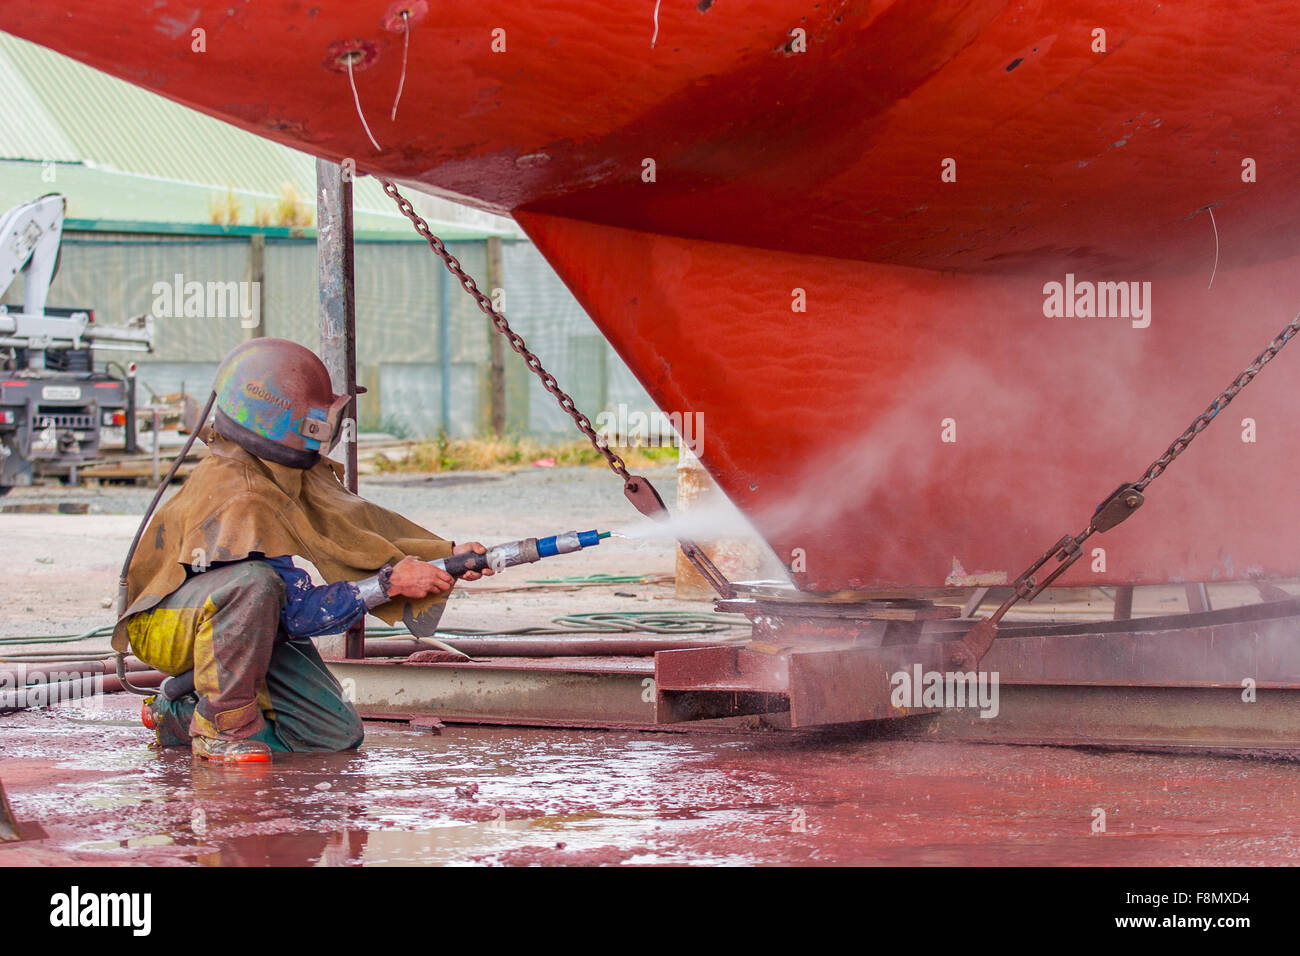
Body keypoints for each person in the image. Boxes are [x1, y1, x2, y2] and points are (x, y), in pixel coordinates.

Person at [115, 338, 491, 764]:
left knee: (334, 734)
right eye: (317, 420)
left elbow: (353, 522)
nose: (324, 430)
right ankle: (222, 727)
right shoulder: (239, 491)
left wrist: (446, 555)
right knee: (253, 586)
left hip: (245, 621)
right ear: (282, 418)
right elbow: (292, 612)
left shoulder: (280, 467)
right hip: (168, 623)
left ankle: (177, 715)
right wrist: (389, 583)